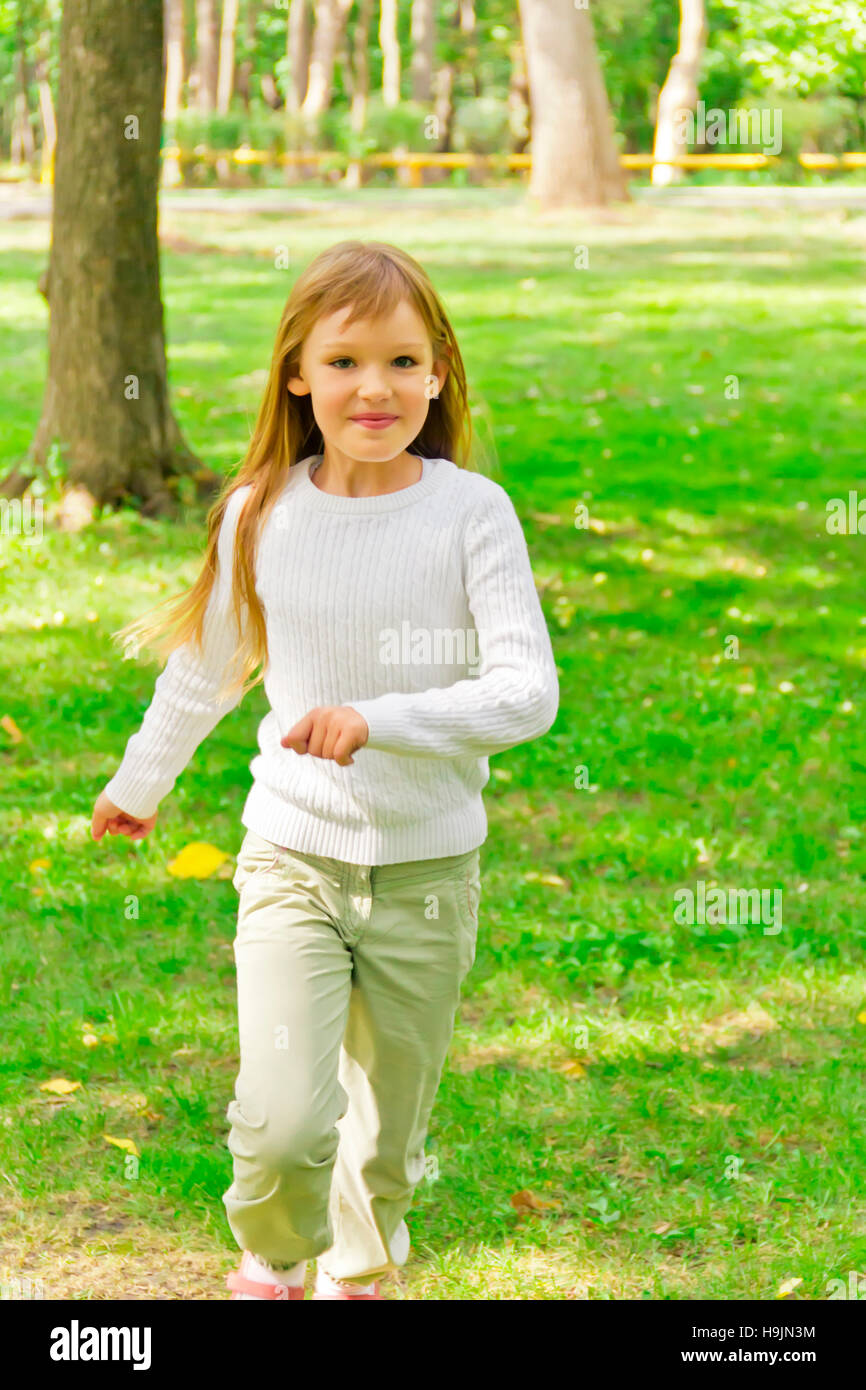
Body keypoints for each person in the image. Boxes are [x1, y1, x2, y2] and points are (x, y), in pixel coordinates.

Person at [91, 240, 559, 1301]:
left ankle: (357, 1271)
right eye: (343, 362)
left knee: (386, 1136)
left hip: (427, 876)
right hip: (292, 857)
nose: (374, 388)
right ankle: (271, 1255)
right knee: (282, 1120)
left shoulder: (468, 513)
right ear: (296, 373)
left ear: (437, 370)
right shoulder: (261, 510)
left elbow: (526, 692)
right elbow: (206, 670)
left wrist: (377, 718)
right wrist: (139, 783)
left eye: (401, 361)